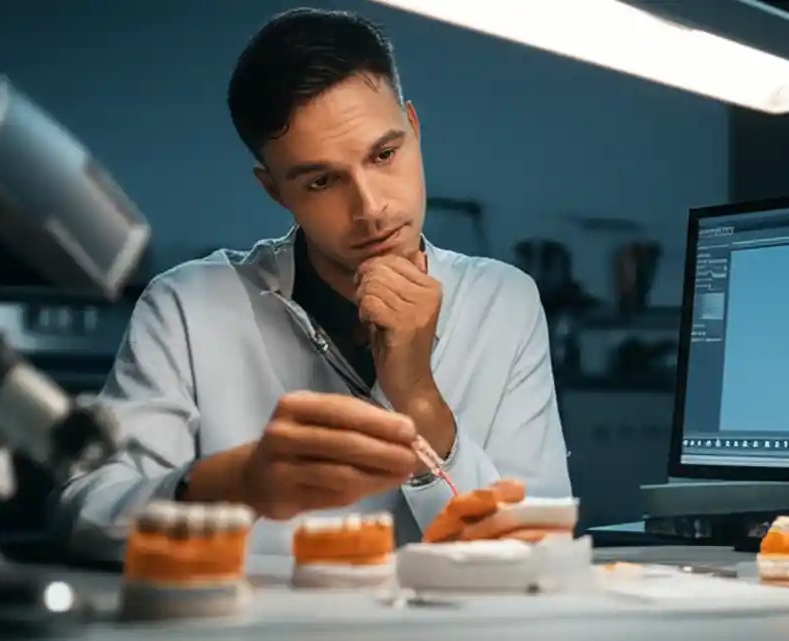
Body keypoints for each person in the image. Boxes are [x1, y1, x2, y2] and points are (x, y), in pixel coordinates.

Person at [51, 7, 571, 560]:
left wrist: (419, 402)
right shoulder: (187, 306)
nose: (371, 209)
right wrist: (236, 485)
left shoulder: (504, 302)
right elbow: (83, 515)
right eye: (322, 180)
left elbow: (539, 549)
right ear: (276, 190)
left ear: (414, 130)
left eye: (385, 154)